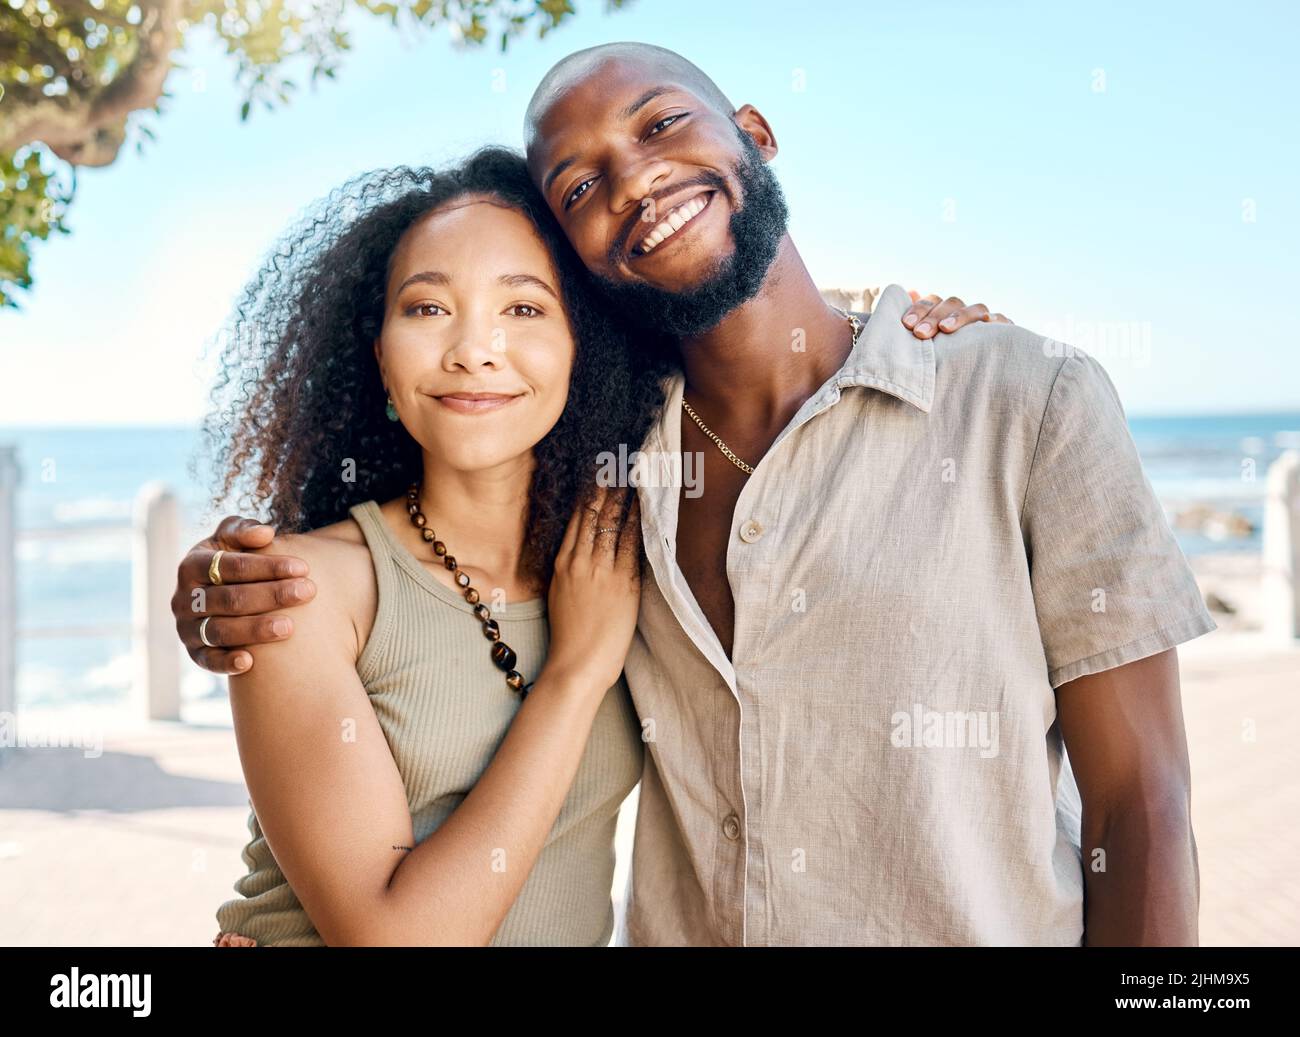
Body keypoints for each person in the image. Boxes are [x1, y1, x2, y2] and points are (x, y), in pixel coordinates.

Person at [181, 42, 1208, 946]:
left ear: (754, 133)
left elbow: (1141, 805)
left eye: (662, 122)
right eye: (579, 187)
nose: (633, 181)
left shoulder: (1024, 398)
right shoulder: (609, 473)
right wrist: (219, 579)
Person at [206, 150, 660, 946]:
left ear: (583, 345)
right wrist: (576, 673)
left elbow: (766, 371)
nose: (472, 350)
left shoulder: (622, 556)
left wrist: (913, 323)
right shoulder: (299, 592)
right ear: (381, 359)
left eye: (523, 309)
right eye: (426, 309)